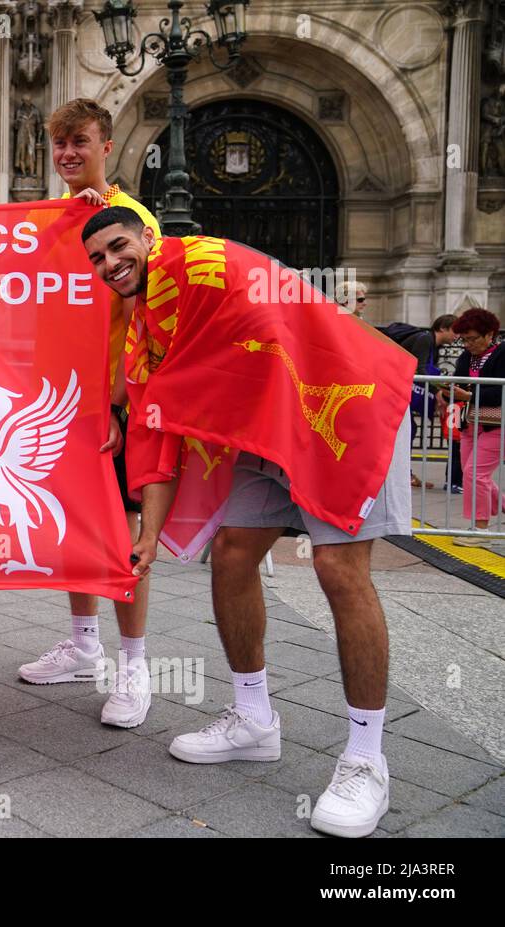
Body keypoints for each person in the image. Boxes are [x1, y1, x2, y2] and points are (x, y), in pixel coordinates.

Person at [83, 206, 414, 838]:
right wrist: (148, 536)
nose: (109, 264)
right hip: (264, 430)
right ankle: (253, 718)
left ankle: (366, 759)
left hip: (342, 401)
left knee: (338, 567)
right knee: (233, 555)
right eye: (96, 259)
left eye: (117, 246)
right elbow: (158, 426)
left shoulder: (203, 264)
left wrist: (136, 397)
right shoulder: (145, 327)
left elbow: (180, 388)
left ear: (149, 236)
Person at [14, 98, 162, 730]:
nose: (67, 153)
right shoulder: (46, 219)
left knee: (123, 534)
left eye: (79, 141)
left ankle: (134, 666)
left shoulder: (131, 221)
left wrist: (117, 406)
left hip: (113, 404)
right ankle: (82, 645)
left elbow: (145, 316)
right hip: (61, 401)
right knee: (74, 525)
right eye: (58, 144)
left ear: (106, 144)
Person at [440, 308, 505, 546]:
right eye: (464, 340)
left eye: (473, 338)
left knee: (475, 473)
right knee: (473, 472)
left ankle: (480, 530)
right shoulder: (467, 356)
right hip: (471, 421)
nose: (468, 344)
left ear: (490, 334)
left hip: (496, 420)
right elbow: (458, 384)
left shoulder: (502, 353)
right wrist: (447, 392)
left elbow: (498, 392)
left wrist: (467, 395)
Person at [385, 314, 457, 489]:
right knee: (406, 430)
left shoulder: (432, 344)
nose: (458, 336)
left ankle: (403, 473)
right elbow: (421, 369)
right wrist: (437, 392)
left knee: (409, 429)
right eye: (455, 331)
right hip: (392, 389)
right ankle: (399, 474)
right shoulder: (425, 340)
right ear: (442, 328)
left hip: (396, 388)